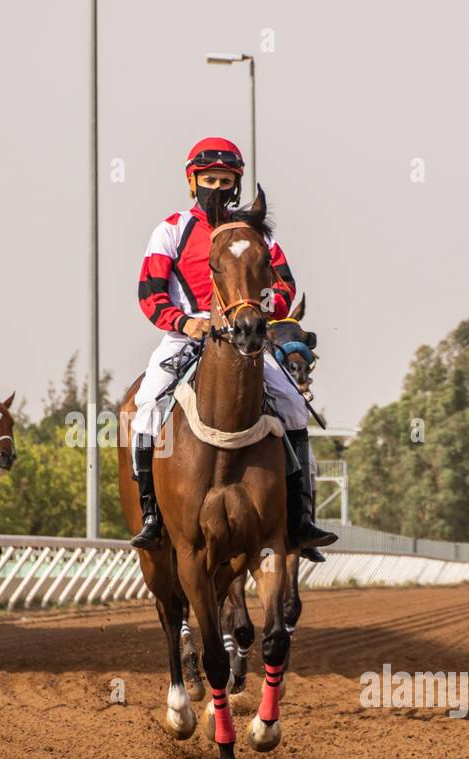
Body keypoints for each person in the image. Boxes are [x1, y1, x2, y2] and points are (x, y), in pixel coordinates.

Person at [130, 136, 336, 557]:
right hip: (184, 337)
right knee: (146, 407)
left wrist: (252, 313)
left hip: (247, 339)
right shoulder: (170, 229)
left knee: (295, 406)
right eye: (209, 179)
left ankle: (300, 518)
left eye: (226, 180)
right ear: (193, 182)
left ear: (237, 185)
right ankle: (152, 515)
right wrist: (186, 322)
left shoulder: (255, 234)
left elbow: (284, 288)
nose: (217, 188)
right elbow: (149, 293)